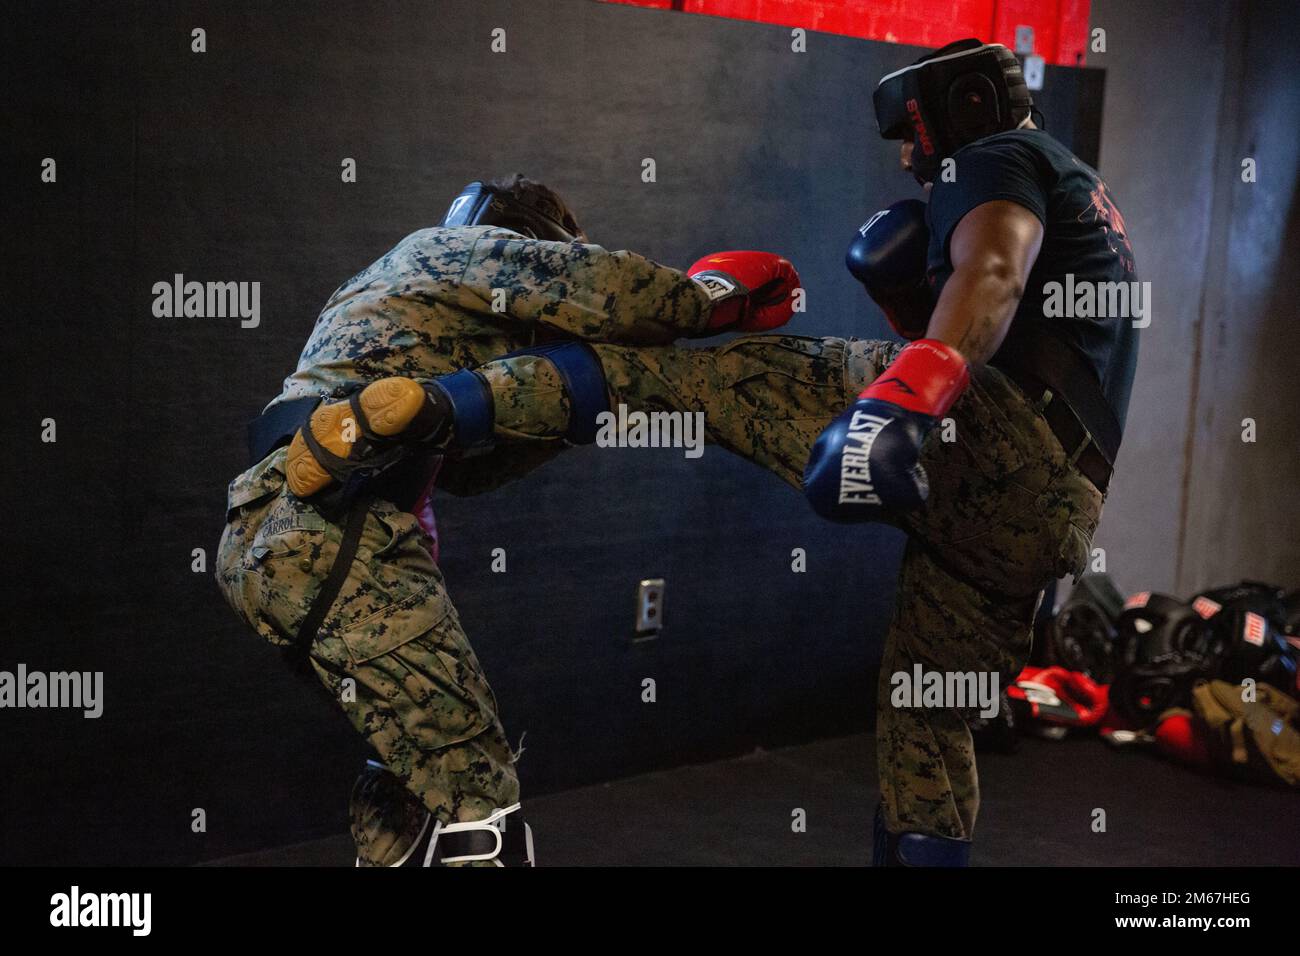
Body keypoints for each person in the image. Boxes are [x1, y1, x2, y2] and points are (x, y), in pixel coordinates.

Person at [455, 38, 1139, 866]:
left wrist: (900, 401)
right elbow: (1023, 330)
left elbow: (993, 273)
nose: (905, 155)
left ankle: (456, 412)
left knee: (712, 380)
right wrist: (907, 305)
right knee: (926, 716)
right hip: (1049, 511)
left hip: (997, 439)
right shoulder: (1078, 186)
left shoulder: (994, 158)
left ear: (961, 108)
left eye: (910, 131)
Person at [214, 174, 801, 866]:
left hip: (269, 538)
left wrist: (563, 406)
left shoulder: (394, 295)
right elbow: (602, 289)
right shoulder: (467, 250)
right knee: (476, 803)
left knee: (406, 770)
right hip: (336, 532)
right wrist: (709, 299)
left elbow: (466, 469)